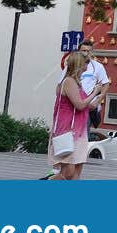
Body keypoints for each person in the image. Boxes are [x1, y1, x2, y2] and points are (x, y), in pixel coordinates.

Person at [48, 47, 95, 180]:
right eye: (86, 63)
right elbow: (80, 105)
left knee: (76, 172)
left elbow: (89, 105)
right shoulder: (69, 81)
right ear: (79, 64)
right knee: (68, 171)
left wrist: (102, 92)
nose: (87, 67)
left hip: (79, 130)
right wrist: (95, 93)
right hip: (67, 130)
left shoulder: (77, 82)